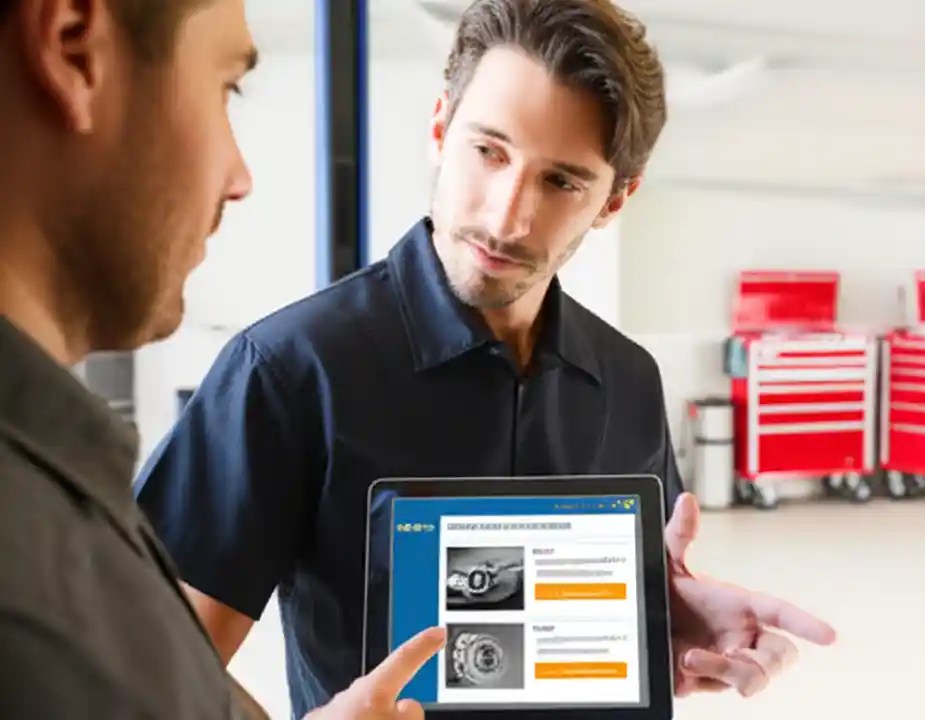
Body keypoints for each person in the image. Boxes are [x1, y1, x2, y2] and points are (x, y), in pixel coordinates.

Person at [133, 0, 838, 717]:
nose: (507, 218)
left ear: (615, 199)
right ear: (440, 127)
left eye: (561, 181)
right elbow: (142, 676)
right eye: (489, 151)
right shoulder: (286, 371)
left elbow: (592, 619)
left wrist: (661, 625)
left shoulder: (627, 381)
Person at [0, 1, 451, 718]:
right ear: (73, 49)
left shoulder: (59, 509)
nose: (239, 177)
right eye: (225, 88)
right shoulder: (33, 589)